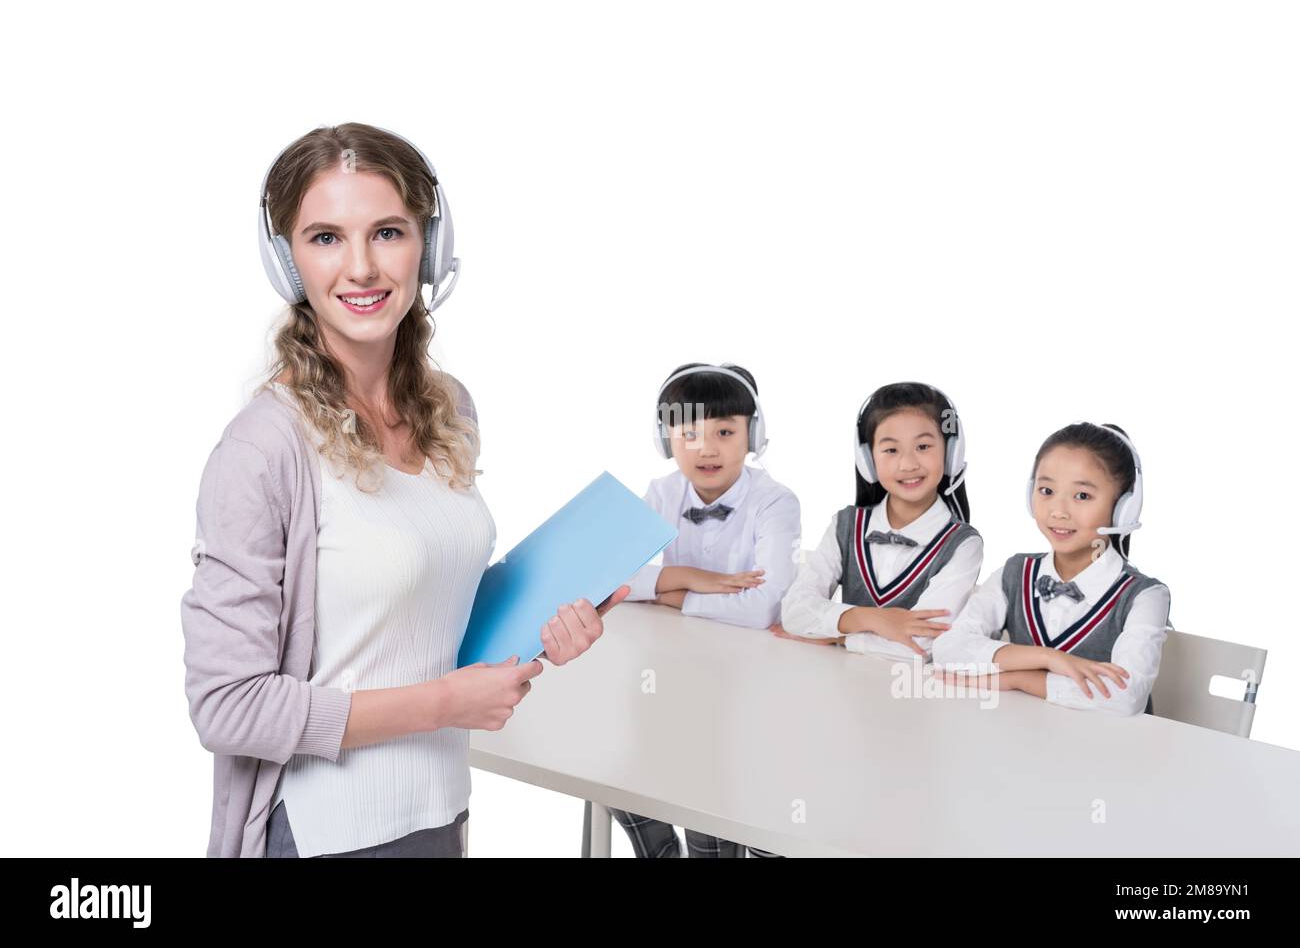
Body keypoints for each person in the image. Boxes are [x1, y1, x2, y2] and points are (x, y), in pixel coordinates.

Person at [181, 122, 628, 858]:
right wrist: (444, 704)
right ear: (287, 261)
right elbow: (228, 706)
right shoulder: (263, 449)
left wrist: (546, 621)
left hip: (438, 812)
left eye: (387, 232)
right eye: (326, 238)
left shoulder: (448, 409)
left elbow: (420, 609)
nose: (360, 267)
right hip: (328, 835)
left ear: (430, 246)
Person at [613, 362, 801, 857]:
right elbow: (612, 578)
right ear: (666, 440)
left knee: (713, 807)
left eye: (725, 432)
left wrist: (672, 595)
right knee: (620, 776)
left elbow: (763, 608)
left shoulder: (775, 501)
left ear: (752, 435)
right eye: (689, 434)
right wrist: (689, 576)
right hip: (674, 669)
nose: (706, 449)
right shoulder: (662, 492)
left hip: (748, 680)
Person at [932, 423, 1171, 716]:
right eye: (1046, 491)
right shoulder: (1015, 572)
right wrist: (1047, 658)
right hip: (1022, 731)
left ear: (1124, 508)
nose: (1058, 510)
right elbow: (947, 650)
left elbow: (1125, 697)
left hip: (1105, 743)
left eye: (1082, 496)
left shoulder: (1146, 596)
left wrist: (1019, 679)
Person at [773, 382, 983, 661]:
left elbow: (923, 645)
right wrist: (872, 619)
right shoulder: (845, 525)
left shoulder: (963, 545)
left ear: (952, 452)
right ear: (867, 460)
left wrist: (837, 635)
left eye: (923, 446)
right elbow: (794, 612)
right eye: (891, 450)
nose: (908, 464)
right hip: (838, 679)